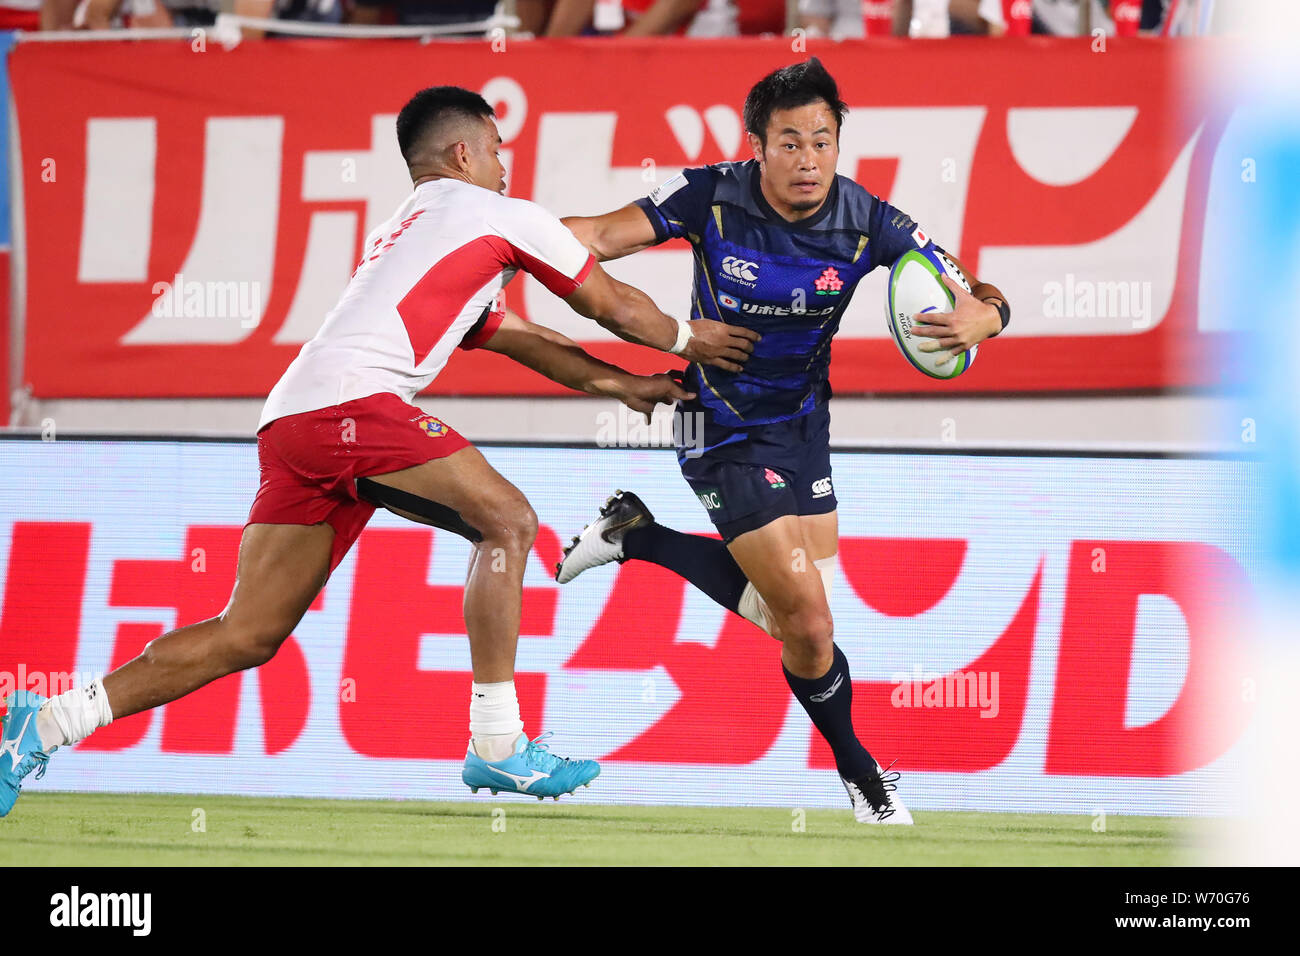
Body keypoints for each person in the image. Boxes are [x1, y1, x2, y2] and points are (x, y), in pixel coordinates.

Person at [0, 86, 759, 817]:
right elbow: (610, 303)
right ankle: (498, 740)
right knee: (508, 521)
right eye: (498, 150)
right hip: (348, 409)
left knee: (247, 633)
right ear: (464, 153)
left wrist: (626, 387)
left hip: (293, 418)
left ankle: (48, 723)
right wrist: (693, 340)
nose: (506, 165)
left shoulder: (416, 225)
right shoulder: (497, 212)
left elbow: (523, 340)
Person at [554, 59, 1011, 825]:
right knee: (808, 623)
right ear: (757, 145)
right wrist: (507, 242)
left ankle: (639, 537)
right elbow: (596, 236)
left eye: (823, 141)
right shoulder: (710, 195)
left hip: (803, 426)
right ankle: (865, 779)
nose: (809, 159)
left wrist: (983, 322)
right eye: (791, 142)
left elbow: (984, 293)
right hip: (714, 423)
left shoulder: (869, 220)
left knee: (794, 617)